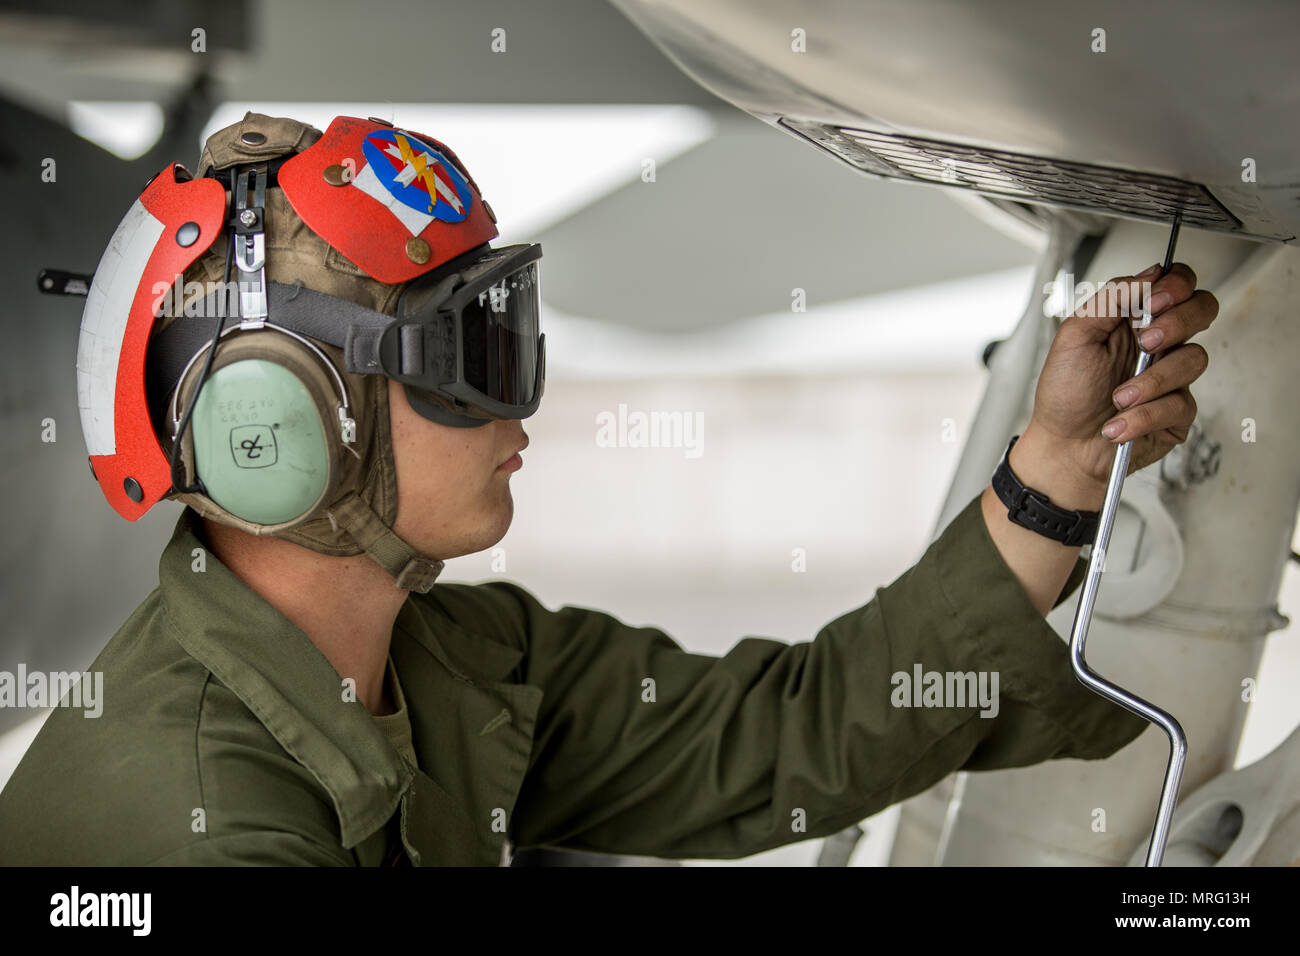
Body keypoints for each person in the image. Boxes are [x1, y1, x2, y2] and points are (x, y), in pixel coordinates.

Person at [0, 113, 1217, 865]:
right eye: (465, 360)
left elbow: (783, 735)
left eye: (508, 340)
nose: (517, 412)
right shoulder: (203, 824)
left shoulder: (451, 659)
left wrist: (1057, 465)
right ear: (275, 428)